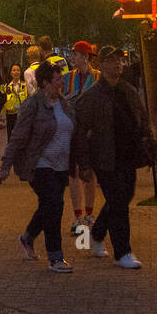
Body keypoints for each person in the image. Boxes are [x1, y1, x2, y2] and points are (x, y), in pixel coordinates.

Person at [74, 44, 152, 269]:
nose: (118, 64)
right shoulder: (92, 97)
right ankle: (123, 252)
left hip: (127, 155)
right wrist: (85, 164)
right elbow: (80, 132)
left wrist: (151, 146)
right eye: (111, 60)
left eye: (120, 59)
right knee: (119, 201)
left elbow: (143, 120)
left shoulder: (128, 91)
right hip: (105, 158)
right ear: (100, 65)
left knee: (124, 196)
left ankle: (97, 234)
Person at [0, 61, 76, 273]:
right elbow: (18, 136)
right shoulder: (33, 104)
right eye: (58, 79)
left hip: (61, 165)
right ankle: (56, 257)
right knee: (54, 204)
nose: (62, 82)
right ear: (45, 82)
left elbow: (74, 132)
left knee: (49, 206)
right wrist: (5, 165)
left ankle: (28, 236)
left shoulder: (65, 104)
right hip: (39, 163)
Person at [66, 41, 100, 232]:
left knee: (89, 172)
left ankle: (89, 213)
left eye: (76, 55)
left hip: (91, 133)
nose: (73, 58)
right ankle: (77, 215)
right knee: (74, 172)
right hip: (73, 131)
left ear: (86, 57)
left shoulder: (97, 77)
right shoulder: (67, 78)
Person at [1, 63, 31, 149]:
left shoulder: (25, 85)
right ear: (11, 73)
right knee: (11, 139)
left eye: (18, 70)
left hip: (22, 116)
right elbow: (2, 100)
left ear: (21, 72)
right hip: (10, 116)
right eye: (14, 70)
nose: (16, 72)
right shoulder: (6, 86)